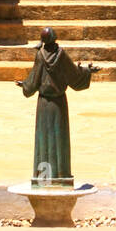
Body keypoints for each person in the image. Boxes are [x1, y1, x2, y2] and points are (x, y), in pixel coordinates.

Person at [17, 27, 99, 185]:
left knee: (44, 141)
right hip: (59, 103)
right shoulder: (62, 56)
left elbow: (33, 80)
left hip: (44, 104)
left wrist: (25, 85)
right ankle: (62, 176)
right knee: (59, 138)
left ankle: (43, 178)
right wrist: (87, 71)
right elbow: (74, 75)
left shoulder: (40, 56)